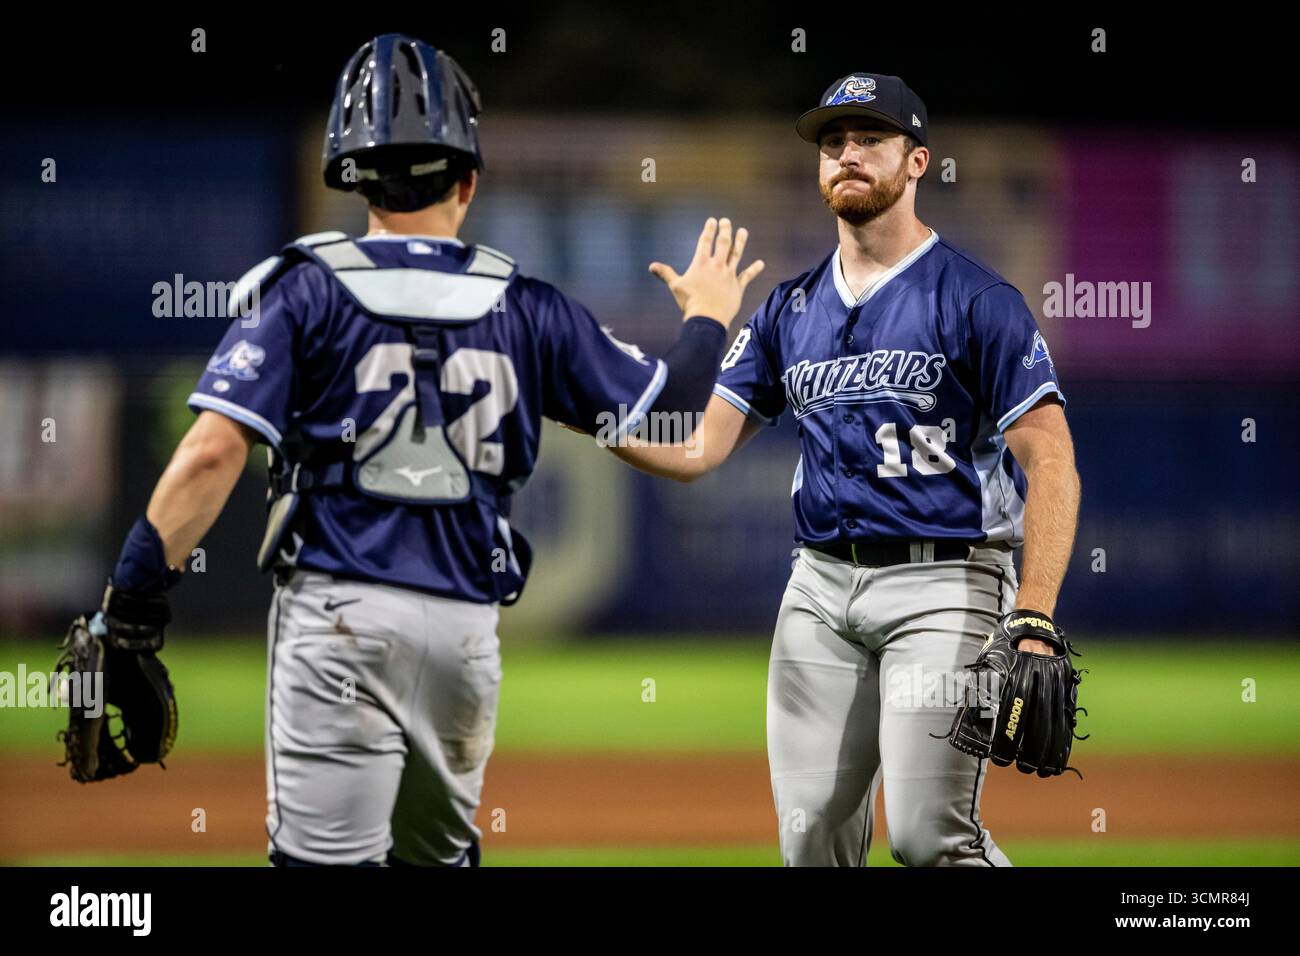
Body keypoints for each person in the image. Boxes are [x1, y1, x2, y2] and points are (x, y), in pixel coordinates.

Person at [88, 34, 763, 866]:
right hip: (462, 633)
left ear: (351, 175)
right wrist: (706, 317)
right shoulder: (527, 305)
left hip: (339, 616)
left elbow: (206, 456)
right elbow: (674, 412)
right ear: (469, 180)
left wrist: (132, 609)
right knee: (435, 860)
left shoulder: (303, 289)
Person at [611, 72, 1081, 866]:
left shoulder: (976, 299)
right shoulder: (787, 310)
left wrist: (1033, 614)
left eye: (871, 138)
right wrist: (588, 411)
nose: (848, 153)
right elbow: (696, 448)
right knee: (812, 845)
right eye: (833, 142)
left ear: (918, 161)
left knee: (931, 838)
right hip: (818, 596)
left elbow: (1053, 460)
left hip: (947, 587)